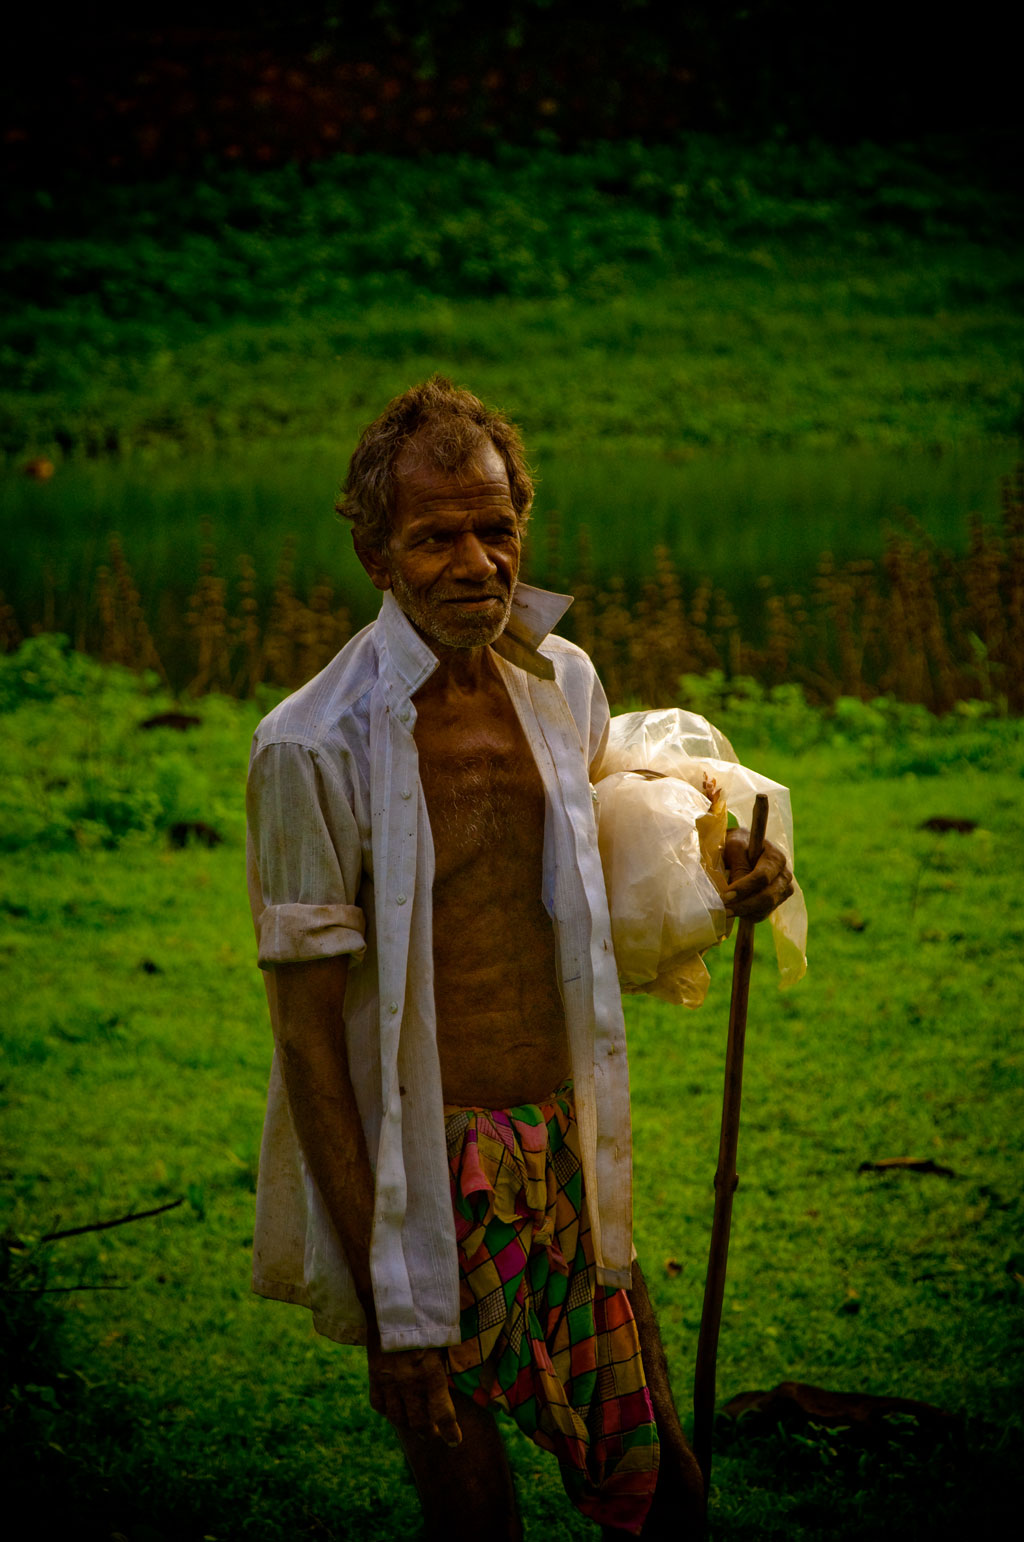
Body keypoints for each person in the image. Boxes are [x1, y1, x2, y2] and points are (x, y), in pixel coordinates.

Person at [246, 376, 794, 1539]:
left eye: (494, 528)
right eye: (433, 537)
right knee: (470, 1506)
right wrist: (391, 1303)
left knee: (665, 1488)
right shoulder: (310, 744)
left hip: (565, 1141)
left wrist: (733, 874)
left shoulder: (564, 684)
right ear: (375, 554)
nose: (475, 564)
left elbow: (621, 840)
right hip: (416, 1172)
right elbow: (306, 1039)